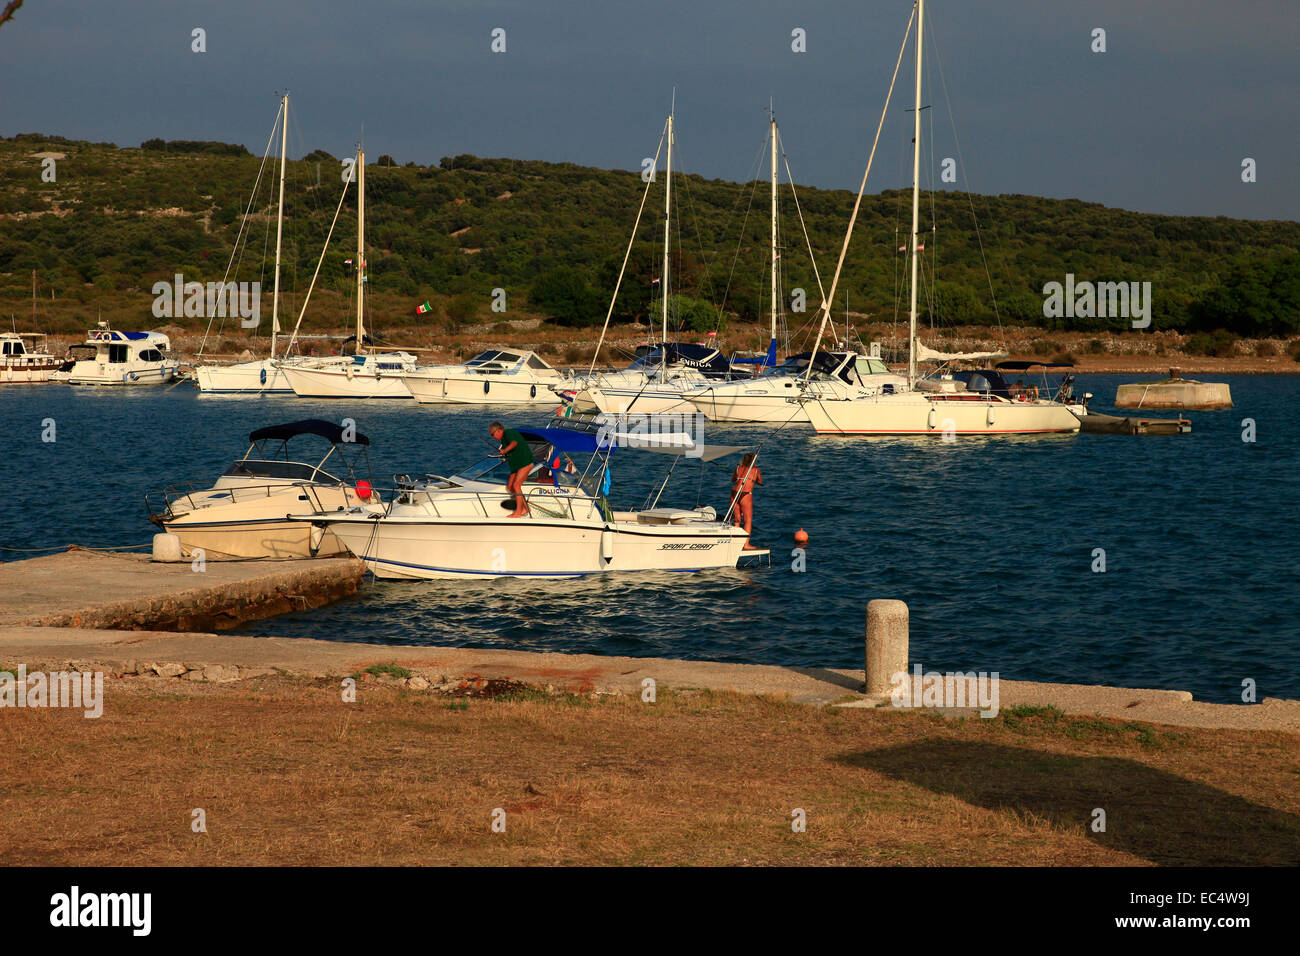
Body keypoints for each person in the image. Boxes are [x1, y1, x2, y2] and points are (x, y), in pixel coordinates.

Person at [490, 422, 534, 518]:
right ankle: (526, 508)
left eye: (492, 434)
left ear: (499, 431)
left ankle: (518, 512)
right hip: (516, 466)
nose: (492, 437)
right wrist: (505, 453)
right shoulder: (503, 440)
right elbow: (512, 450)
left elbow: (514, 443)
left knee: (516, 485)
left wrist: (505, 450)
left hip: (525, 462)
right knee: (510, 486)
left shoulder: (508, 433)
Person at [730, 452, 763, 550]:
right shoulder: (756, 470)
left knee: (737, 518)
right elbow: (760, 481)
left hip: (734, 493)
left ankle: (735, 543)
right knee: (748, 521)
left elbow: (733, 480)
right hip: (745, 494)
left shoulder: (738, 468)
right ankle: (746, 544)